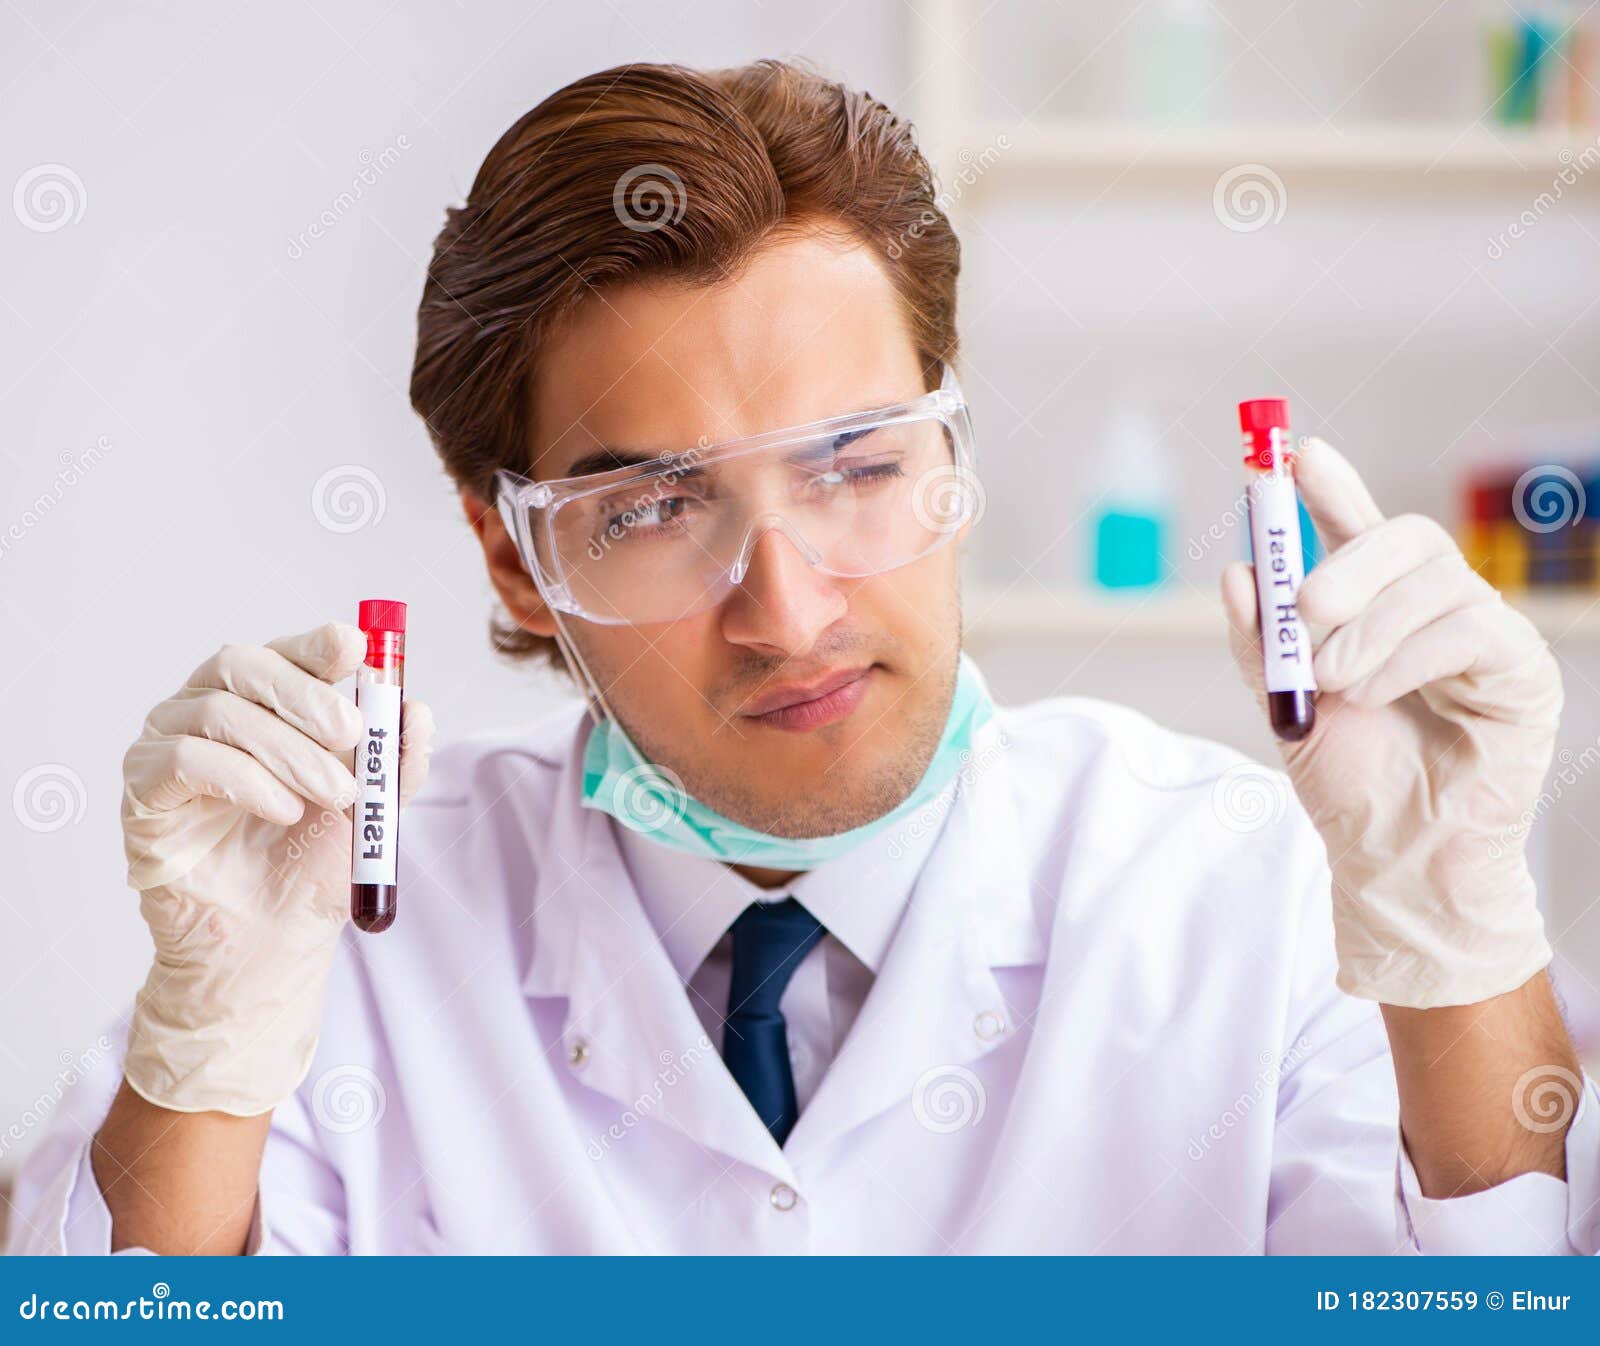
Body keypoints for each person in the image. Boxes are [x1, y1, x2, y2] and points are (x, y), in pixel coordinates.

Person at [9, 60, 1597, 1256]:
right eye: (655, 504)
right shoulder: (339, 926)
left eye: (856, 466)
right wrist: (212, 1044)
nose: (789, 607)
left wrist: (1460, 938)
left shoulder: (1244, 890)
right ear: (515, 550)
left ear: (952, 450)